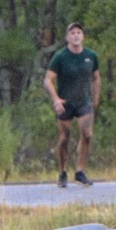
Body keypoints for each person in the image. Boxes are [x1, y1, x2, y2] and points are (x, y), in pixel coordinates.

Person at [45, 23, 100, 188]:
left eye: (79, 32)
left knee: (87, 135)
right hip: (65, 103)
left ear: (83, 36)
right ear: (67, 37)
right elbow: (48, 80)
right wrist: (55, 99)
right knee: (65, 137)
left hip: (84, 101)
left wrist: (95, 99)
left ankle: (80, 171)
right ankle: (63, 171)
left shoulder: (91, 56)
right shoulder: (60, 57)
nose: (76, 35)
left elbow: (96, 77)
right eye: (72, 33)